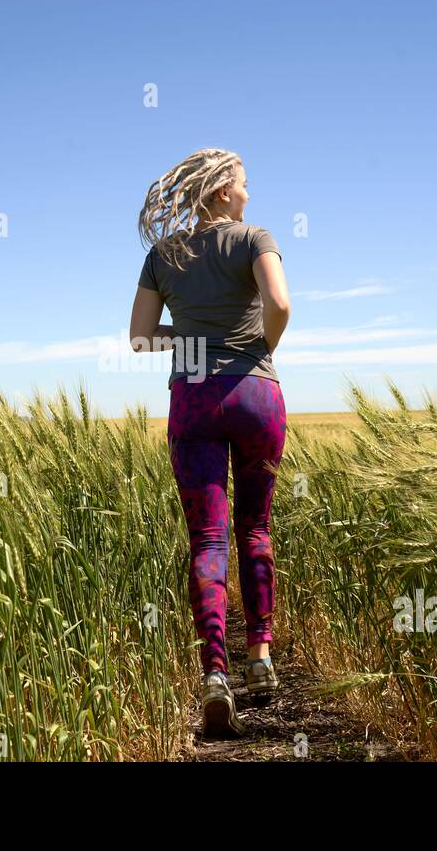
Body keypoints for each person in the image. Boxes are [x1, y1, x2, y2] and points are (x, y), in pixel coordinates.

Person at [128, 148, 291, 737]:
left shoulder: (163, 255)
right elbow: (279, 304)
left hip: (193, 400)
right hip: (256, 395)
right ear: (223, 190)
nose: (249, 192)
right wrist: (256, 349)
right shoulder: (255, 238)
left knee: (209, 536)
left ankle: (215, 673)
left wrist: (196, 342)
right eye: (244, 183)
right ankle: (262, 657)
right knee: (255, 526)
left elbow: (141, 339)